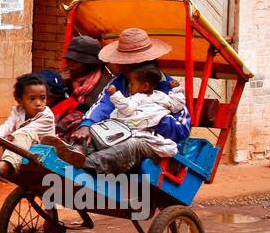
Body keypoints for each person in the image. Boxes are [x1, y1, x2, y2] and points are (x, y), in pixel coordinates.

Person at [54, 28, 190, 173]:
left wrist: (150, 118)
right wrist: (87, 125)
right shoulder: (120, 81)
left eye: (126, 63)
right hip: (120, 135)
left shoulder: (170, 89)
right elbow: (103, 105)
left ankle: (87, 164)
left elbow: (182, 129)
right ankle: (74, 152)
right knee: (91, 132)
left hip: (156, 146)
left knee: (132, 145)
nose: (120, 66)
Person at [101, 61, 185, 159]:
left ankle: (89, 163)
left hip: (142, 137)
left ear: (145, 86)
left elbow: (127, 108)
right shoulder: (162, 97)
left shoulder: (138, 97)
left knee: (128, 145)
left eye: (132, 84)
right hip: (141, 135)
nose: (129, 86)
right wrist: (177, 90)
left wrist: (115, 95)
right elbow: (176, 104)